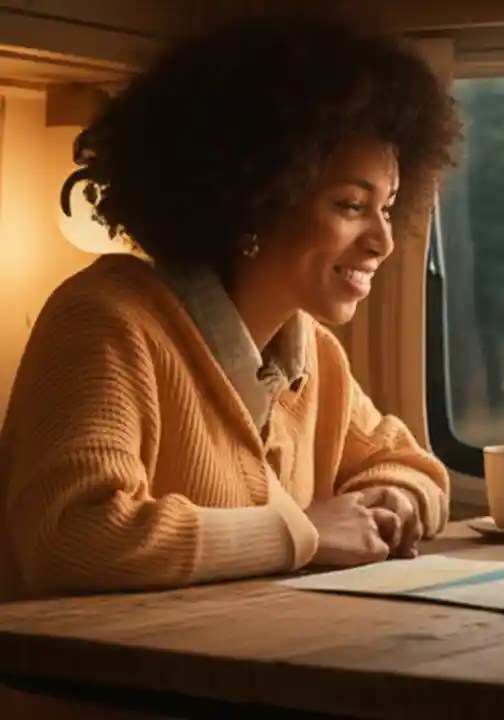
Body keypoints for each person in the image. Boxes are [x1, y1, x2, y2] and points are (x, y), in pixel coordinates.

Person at [0, 15, 458, 604]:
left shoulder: (310, 352)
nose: (383, 242)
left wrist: (392, 499)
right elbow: (71, 537)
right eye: (350, 205)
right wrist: (303, 533)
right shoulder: (105, 322)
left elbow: (409, 461)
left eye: (388, 208)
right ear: (255, 202)